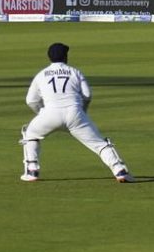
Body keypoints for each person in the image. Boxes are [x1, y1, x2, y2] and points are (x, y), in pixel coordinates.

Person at [20, 42, 131, 183]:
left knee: (30, 134)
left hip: (49, 114)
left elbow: (31, 100)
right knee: (100, 144)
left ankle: (32, 170)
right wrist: (82, 112)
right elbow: (87, 95)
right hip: (75, 113)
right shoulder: (75, 72)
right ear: (66, 57)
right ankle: (120, 171)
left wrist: (41, 114)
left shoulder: (41, 75)